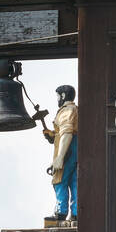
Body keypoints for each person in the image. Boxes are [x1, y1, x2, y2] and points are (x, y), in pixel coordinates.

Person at [43, 85, 78, 221]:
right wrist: (52, 135)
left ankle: (60, 212)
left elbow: (67, 133)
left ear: (63, 96)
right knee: (75, 181)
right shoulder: (75, 110)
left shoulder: (66, 110)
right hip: (76, 150)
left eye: (58, 96)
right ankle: (76, 213)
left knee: (59, 180)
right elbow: (63, 133)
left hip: (68, 151)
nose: (57, 99)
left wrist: (60, 157)